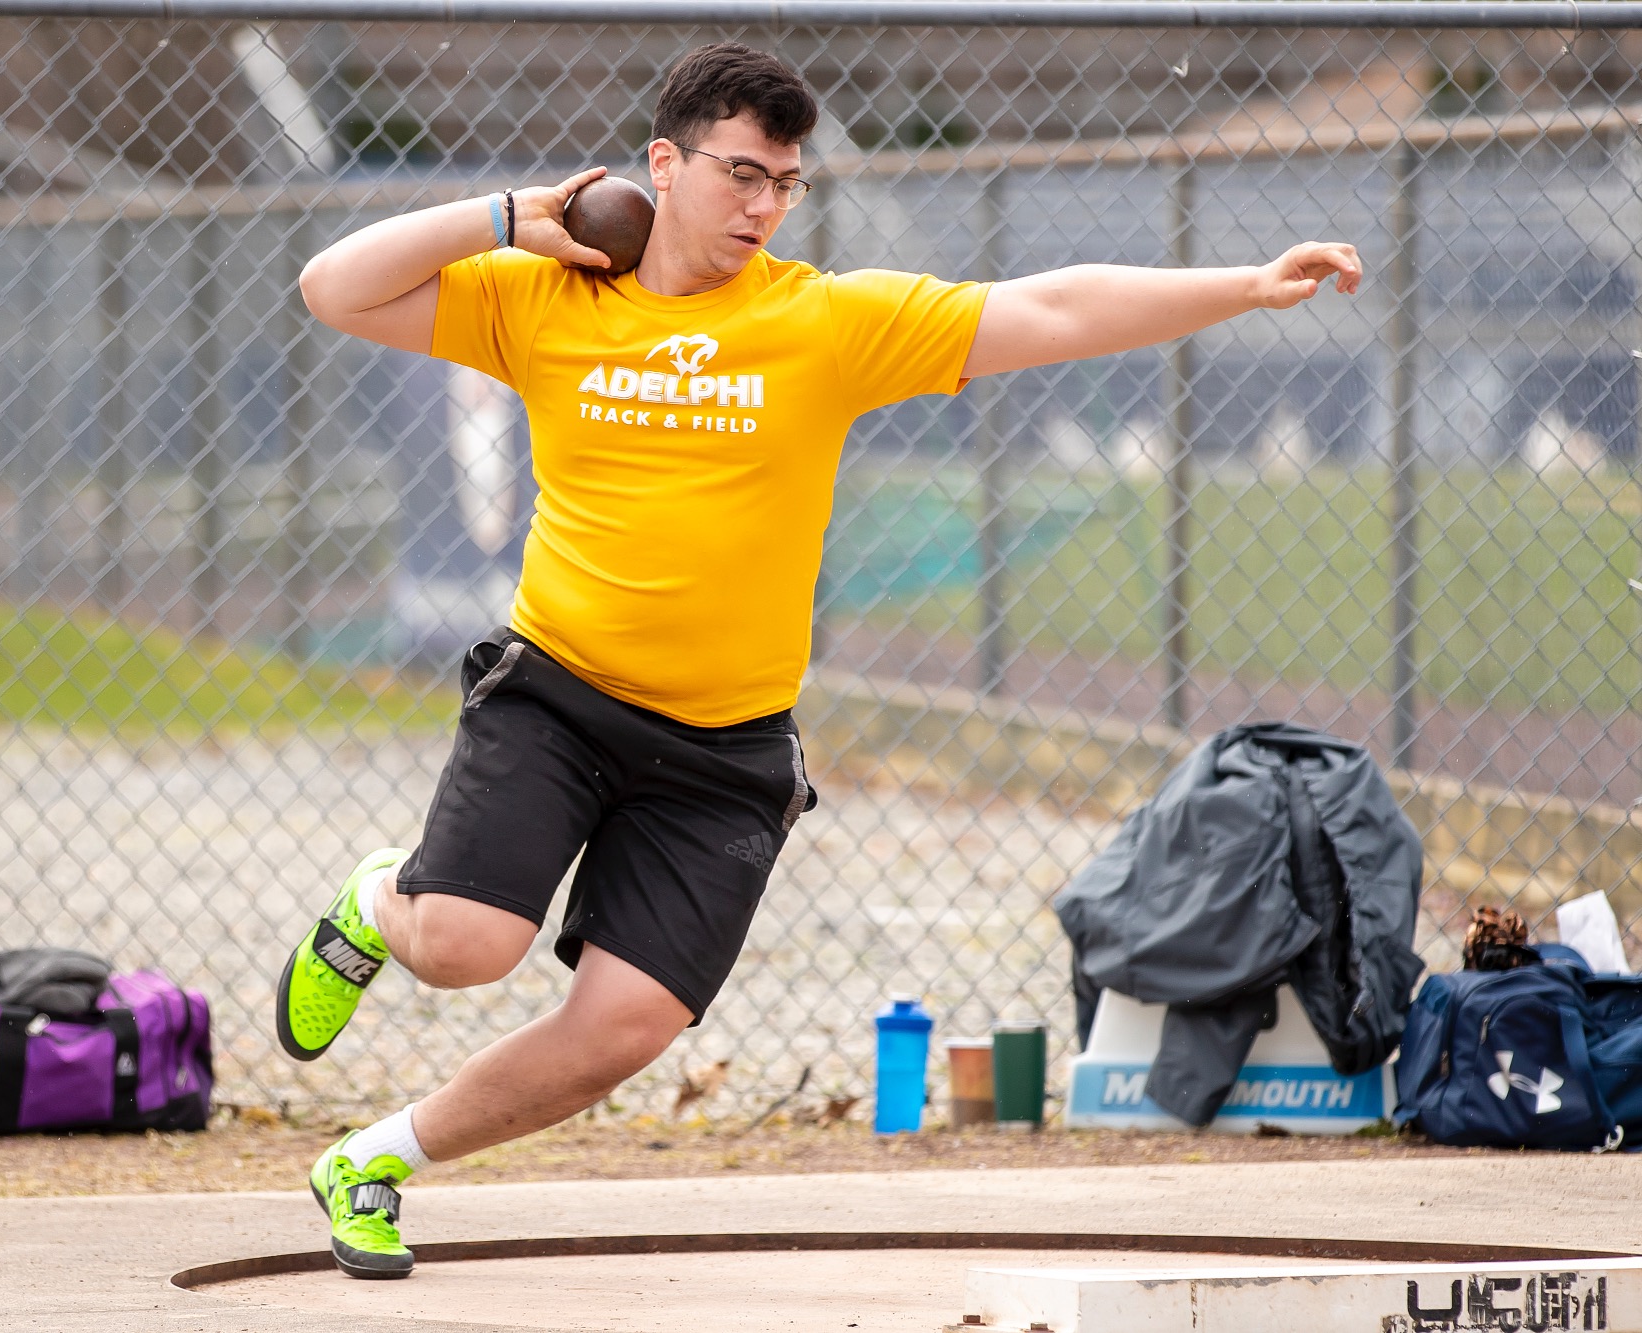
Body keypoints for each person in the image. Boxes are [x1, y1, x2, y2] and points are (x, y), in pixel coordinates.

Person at [283, 41, 1362, 1279]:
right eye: (739, 174)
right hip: (559, 696)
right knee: (464, 946)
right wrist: (503, 217)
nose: (762, 206)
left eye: (784, 183)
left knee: (622, 1028)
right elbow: (332, 288)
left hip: (723, 748)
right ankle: (378, 901)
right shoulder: (547, 300)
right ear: (661, 165)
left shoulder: (818, 322)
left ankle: (370, 1162)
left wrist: (1244, 285)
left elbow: (1051, 308)